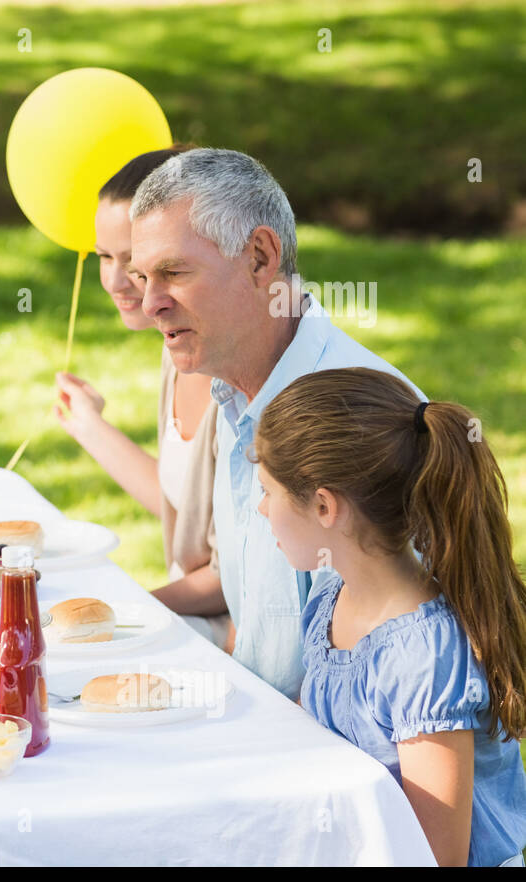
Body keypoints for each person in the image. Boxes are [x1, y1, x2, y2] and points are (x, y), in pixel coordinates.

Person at [126, 148, 424, 697]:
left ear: (261, 258)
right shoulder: (236, 389)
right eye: (141, 277)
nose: (149, 304)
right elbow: (259, 620)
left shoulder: (347, 422)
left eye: (172, 272)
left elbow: (399, 682)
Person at [253, 368, 526, 866]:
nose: (260, 508)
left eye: (269, 491)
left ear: (323, 505)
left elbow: (435, 859)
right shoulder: (333, 593)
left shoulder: (421, 655)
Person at [54, 147, 229, 647]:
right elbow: (185, 509)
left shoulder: (228, 368)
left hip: (229, 638)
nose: (112, 281)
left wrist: (123, 609)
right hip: (189, 619)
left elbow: (233, 578)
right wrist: (89, 426)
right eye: (104, 257)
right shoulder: (174, 346)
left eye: (131, 261)